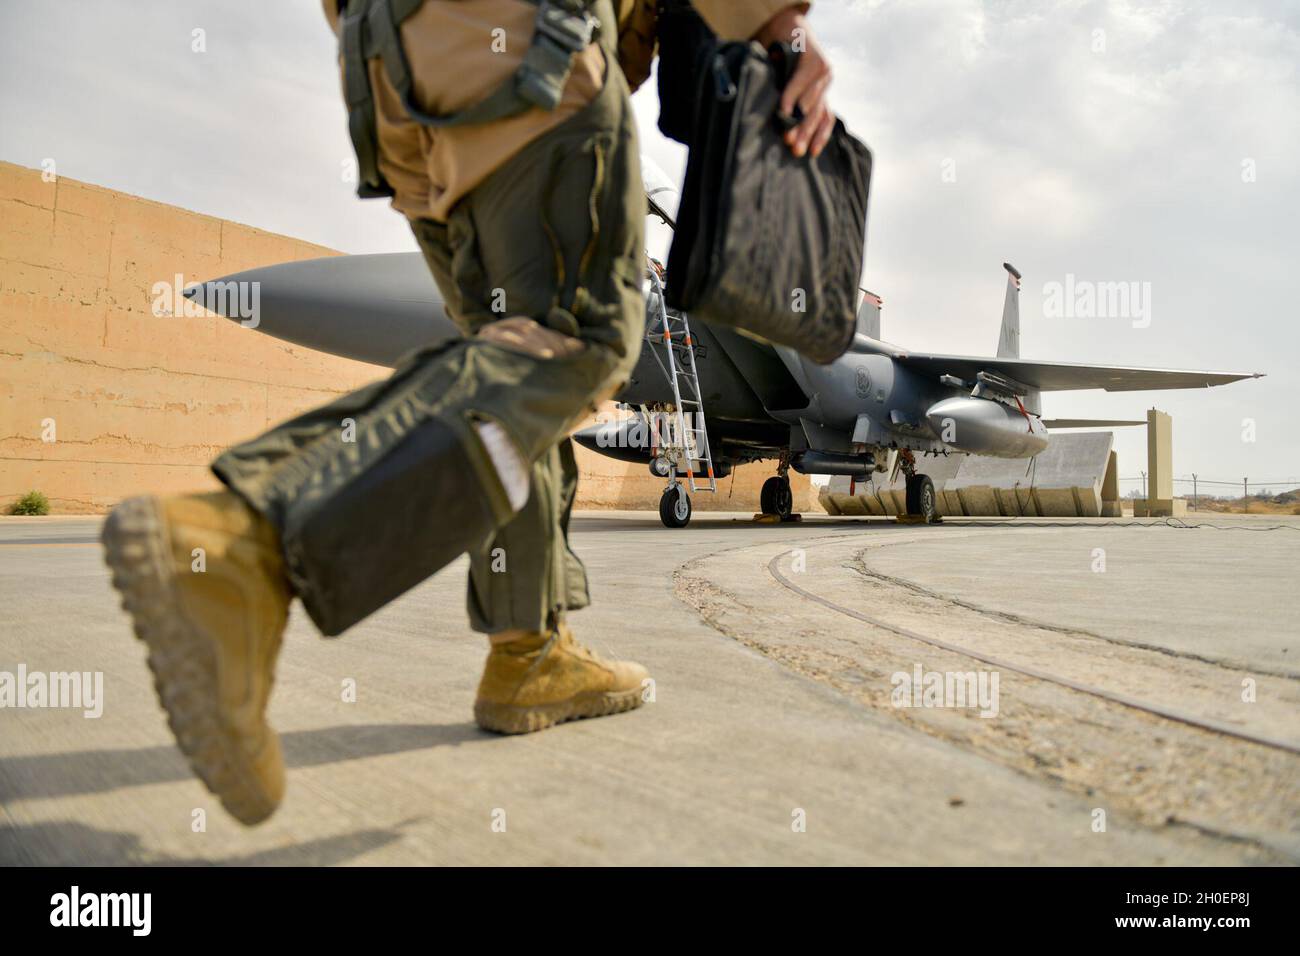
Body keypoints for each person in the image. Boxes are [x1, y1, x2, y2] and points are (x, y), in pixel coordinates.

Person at [101, 0, 835, 826]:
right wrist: (785, 33)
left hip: (403, 74)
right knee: (583, 341)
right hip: (530, 47)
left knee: (519, 359)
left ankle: (529, 650)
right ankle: (243, 540)